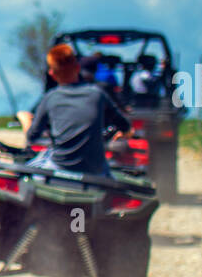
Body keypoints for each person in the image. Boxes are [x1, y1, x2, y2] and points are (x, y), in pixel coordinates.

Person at [21, 43, 130, 178]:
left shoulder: (50, 97)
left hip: (59, 167)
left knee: (23, 170)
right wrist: (123, 132)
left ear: (52, 73)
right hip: (95, 171)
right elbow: (124, 126)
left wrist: (25, 119)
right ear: (78, 68)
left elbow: (32, 137)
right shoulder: (97, 94)